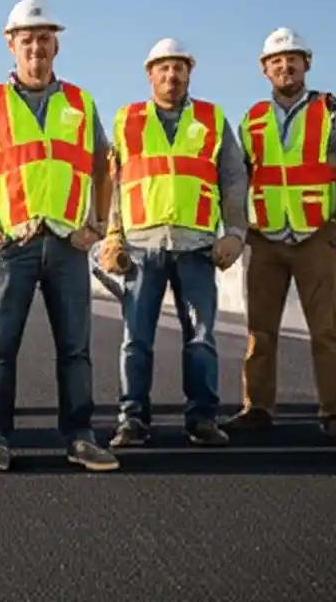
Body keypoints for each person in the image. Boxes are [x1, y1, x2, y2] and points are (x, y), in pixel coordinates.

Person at [0, 0, 120, 473]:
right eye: (27, 40)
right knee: (0, 348)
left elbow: (102, 167)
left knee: (75, 349)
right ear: (10, 44)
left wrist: (99, 225)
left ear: (56, 46)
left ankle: (81, 437)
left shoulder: (81, 103)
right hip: (12, 246)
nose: (36, 49)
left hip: (67, 244)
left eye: (45, 39)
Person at [98, 38, 248, 449]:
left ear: (189, 73)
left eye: (179, 68)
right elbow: (114, 184)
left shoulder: (212, 119)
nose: (171, 75)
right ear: (150, 74)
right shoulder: (126, 120)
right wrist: (112, 235)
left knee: (200, 337)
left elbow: (233, 180)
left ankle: (201, 419)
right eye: (163, 68)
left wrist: (235, 233)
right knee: (136, 338)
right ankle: (133, 419)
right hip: (141, 250)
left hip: (197, 247)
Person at [220, 28, 336, 441]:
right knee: (260, 331)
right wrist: (239, 231)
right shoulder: (253, 119)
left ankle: (334, 411)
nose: (284, 66)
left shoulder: (328, 110)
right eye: (276, 61)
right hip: (265, 237)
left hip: (315, 234)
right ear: (264, 69)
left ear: (306, 64)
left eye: (292, 59)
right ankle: (256, 406)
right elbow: (238, 179)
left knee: (325, 330)